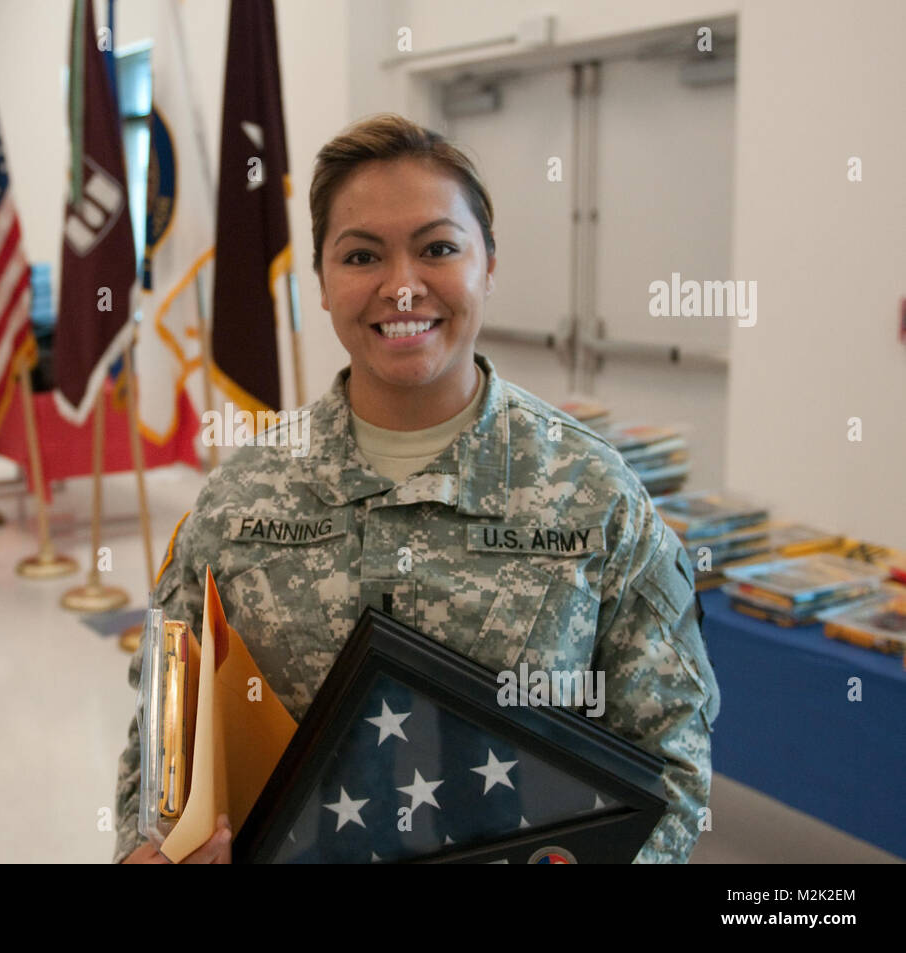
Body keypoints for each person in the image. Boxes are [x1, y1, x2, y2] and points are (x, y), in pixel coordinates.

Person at [114, 113, 720, 864]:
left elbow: (673, 760)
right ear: (325, 284)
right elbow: (162, 747)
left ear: (489, 265)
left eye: (438, 248)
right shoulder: (239, 500)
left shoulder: (594, 497)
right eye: (362, 255)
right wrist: (151, 849)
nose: (402, 288)